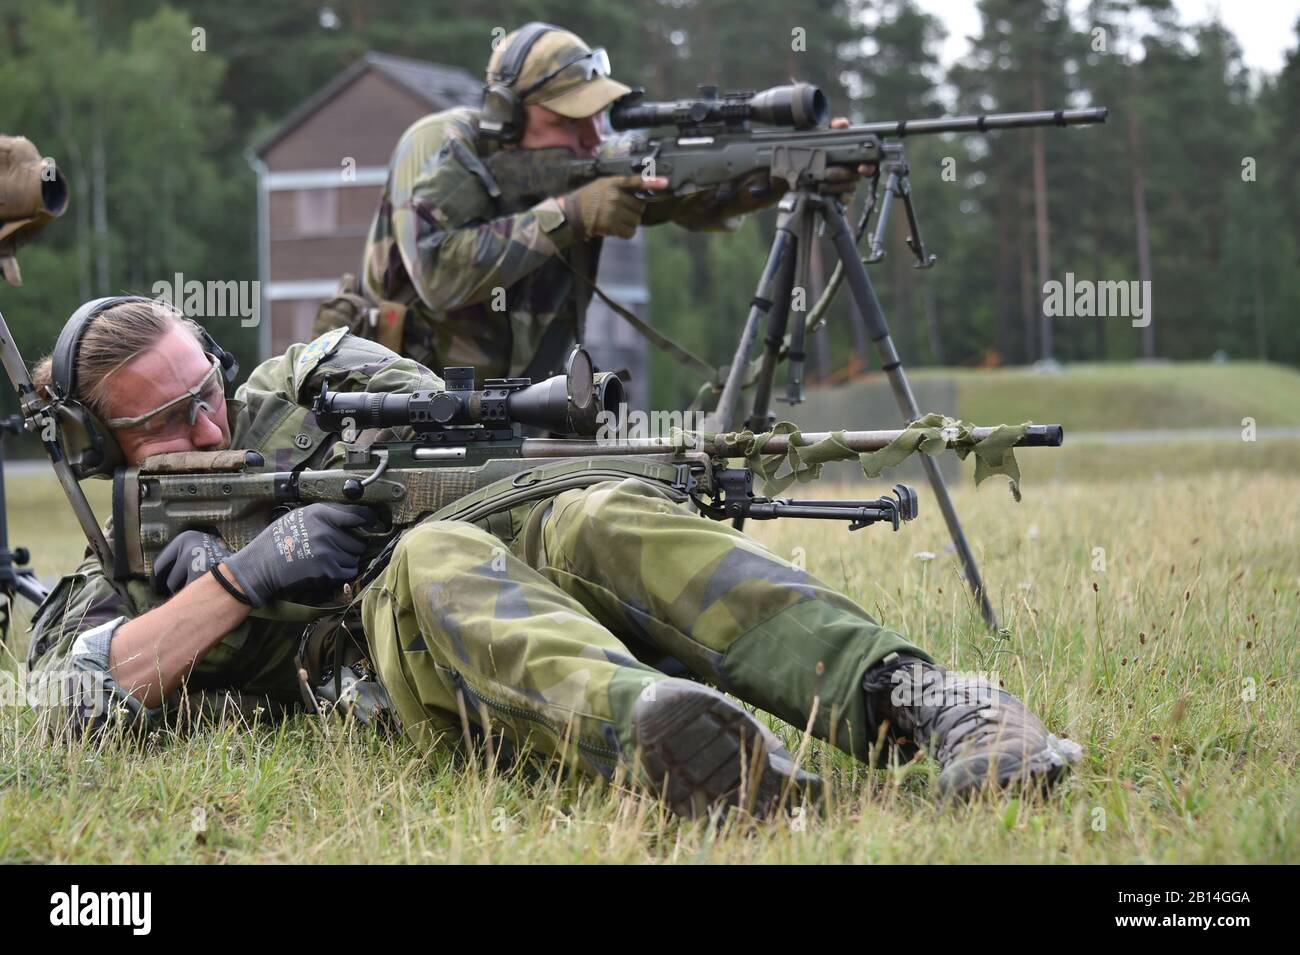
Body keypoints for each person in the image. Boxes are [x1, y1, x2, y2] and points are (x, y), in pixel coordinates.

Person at [27, 297, 1082, 817]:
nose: (210, 427)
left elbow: (474, 442)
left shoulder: (308, 390)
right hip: (405, 653)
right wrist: (237, 582)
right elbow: (57, 711)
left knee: (594, 510)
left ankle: (934, 700)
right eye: (169, 422)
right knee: (434, 554)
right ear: (97, 448)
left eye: (206, 387)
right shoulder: (108, 567)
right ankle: (698, 758)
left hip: (501, 549)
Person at [334, 22, 868, 383]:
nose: (592, 135)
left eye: (596, 116)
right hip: (400, 406)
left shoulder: (586, 159)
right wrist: (569, 215)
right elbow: (438, 273)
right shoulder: (441, 144)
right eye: (568, 118)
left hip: (523, 407)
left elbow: (689, 196)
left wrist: (782, 173)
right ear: (507, 114)